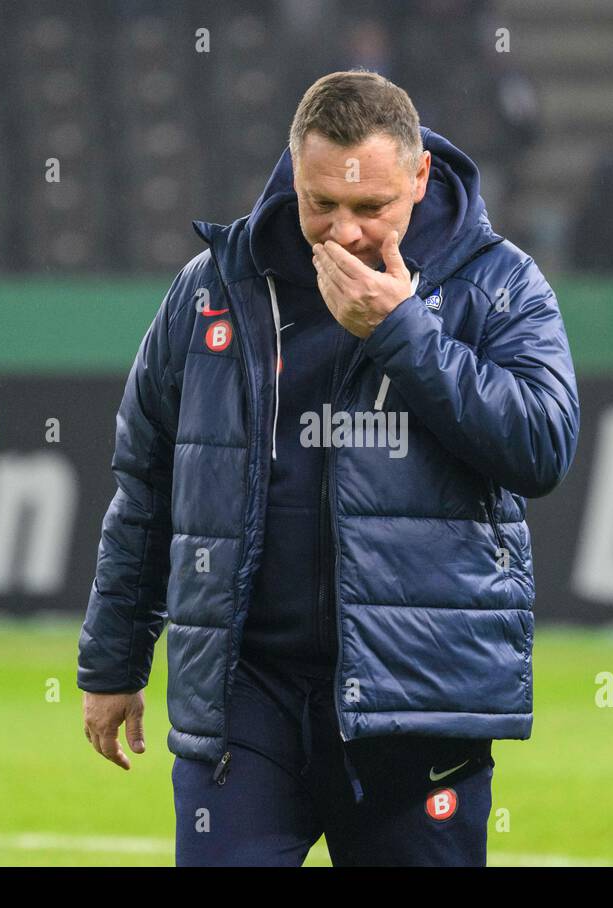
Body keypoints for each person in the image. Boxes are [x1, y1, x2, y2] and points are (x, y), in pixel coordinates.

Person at [77, 69, 579, 866]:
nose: (343, 232)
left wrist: (403, 333)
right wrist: (113, 659)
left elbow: (543, 445)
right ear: (294, 172)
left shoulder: (498, 282)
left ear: (418, 178)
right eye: (323, 204)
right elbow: (147, 481)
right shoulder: (212, 288)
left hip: (416, 702)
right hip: (247, 699)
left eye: (371, 207)